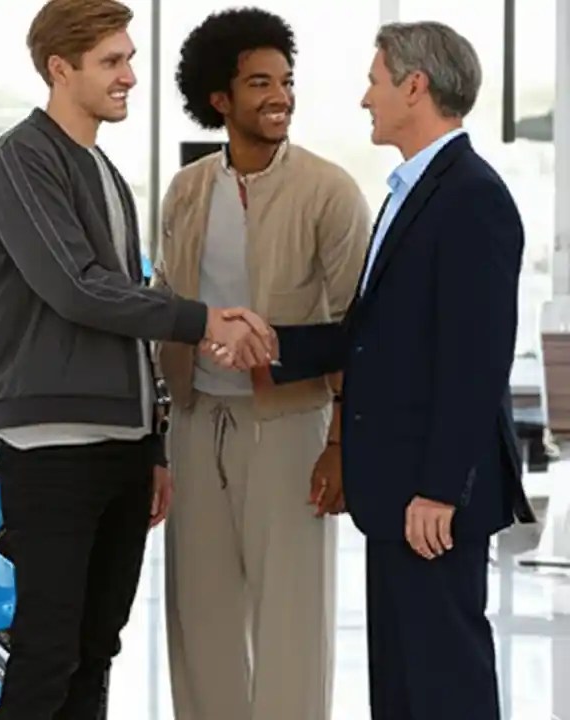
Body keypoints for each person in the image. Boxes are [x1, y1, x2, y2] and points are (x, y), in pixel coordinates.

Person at [0, 1, 276, 717]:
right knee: (48, 647)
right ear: (59, 68)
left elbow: (125, 305)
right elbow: (78, 290)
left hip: (118, 446)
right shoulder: (20, 161)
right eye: (112, 62)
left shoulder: (100, 168)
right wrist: (202, 322)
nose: (131, 76)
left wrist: (153, 442)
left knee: (97, 644)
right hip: (52, 449)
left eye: (130, 59)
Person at [263, 20, 537, 720]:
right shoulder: (413, 190)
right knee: (403, 682)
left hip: (431, 497)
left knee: (445, 682)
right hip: (397, 491)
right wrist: (269, 347)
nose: (365, 98)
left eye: (375, 81)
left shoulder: (471, 196)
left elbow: (476, 359)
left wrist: (441, 489)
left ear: (415, 86)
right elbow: (373, 337)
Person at [150, 9, 372, 720]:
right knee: (200, 618)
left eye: (285, 80)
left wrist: (339, 443)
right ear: (220, 99)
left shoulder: (328, 191)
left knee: (291, 624)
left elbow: (358, 330)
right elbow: (163, 311)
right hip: (195, 424)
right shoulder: (186, 192)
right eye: (258, 82)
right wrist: (158, 438)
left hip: (290, 427)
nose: (279, 95)